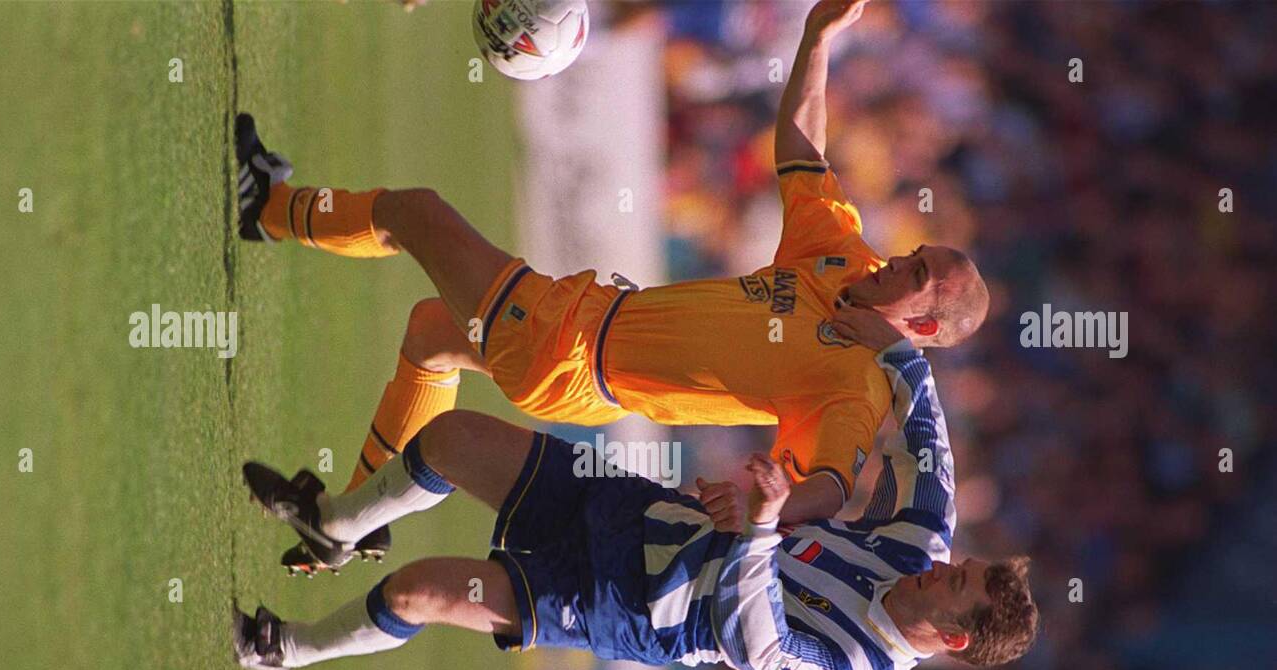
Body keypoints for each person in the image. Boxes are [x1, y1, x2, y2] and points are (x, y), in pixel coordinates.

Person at [232, 0, 990, 572]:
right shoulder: (843, 262)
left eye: (916, 275)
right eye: (915, 253)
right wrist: (819, 37)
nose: (899, 260)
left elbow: (833, 478)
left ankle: (263, 207)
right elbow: (801, 149)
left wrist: (783, 507)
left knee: (417, 214)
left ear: (922, 328)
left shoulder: (856, 387)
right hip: (586, 328)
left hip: (568, 353)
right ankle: (348, 524)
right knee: (433, 335)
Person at [233, 330, 1037, 670]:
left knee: (419, 592)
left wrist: (760, 526)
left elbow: (756, 642)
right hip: (645, 513)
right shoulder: (916, 543)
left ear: (954, 636)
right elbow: (925, 443)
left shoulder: (857, 665)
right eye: (958, 562)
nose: (942, 564)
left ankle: (283, 650)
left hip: (632, 607)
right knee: (449, 437)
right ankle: (335, 528)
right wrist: (901, 352)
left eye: (953, 581)